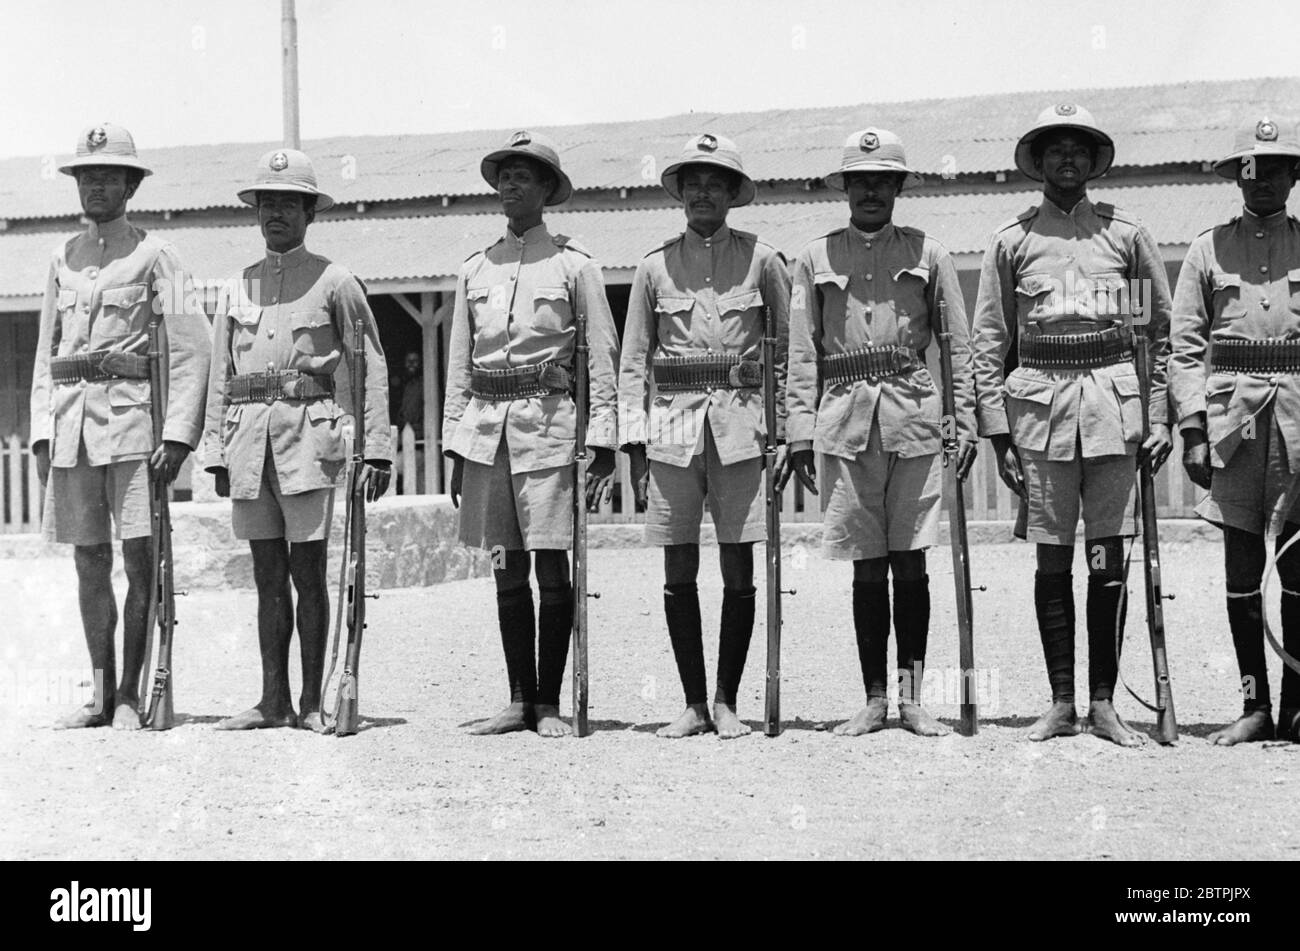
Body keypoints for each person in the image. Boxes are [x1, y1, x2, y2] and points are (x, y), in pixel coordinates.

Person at [971, 104, 1173, 746]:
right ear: (1039, 163)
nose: (1067, 160)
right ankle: (1061, 702)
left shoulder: (1125, 238)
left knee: (1107, 553)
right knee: (1053, 556)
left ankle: (1105, 703)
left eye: (1078, 150)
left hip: (1114, 409)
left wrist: (1160, 414)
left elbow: (1155, 337)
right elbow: (988, 341)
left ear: (1091, 163)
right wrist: (999, 432)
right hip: (1040, 414)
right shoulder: (1013, 242)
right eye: (1055, 150)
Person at [784, 127, 977, 737]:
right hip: (844, 421)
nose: (871, 190)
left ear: (897, 187)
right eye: (859, 181)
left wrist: (965, 419)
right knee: (866, 563)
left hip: (913, 416)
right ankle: (873, 698)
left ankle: (913, 698)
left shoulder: (930, 254)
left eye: (882, 181)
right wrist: (796, 430)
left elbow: (959, 344)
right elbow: (801, 351)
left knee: (910, 561)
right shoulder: (814, 259)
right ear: (845, 189)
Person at [203, 149, 391, 732]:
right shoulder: (238, 286)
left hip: (309, 440)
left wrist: (378, 448)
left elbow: (370, 365)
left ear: (310, 212)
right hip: (247, 443)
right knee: (265, 578)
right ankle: (271, 700)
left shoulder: (334, 281)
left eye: (288, 203)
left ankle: (312, 701)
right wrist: (214, 450)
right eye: (267, 204)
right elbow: (219, 375)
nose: (275, 214)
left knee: (307, 574)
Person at [30, 123, 210, 730]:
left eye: (109, 176)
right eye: (87, 176)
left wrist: (179, 435)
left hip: (134, 431)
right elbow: (44, 352)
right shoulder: (63, 257)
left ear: (131, 186)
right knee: (88, 562)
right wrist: (40, 430)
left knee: (139, 560)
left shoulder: (160, 255)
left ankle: (133, 694)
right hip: (73, 429)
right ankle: (102, 693)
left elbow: (192, 348)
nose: (96, 186)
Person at [442, 131, 618, 738]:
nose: (513, 185)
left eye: (527, 176)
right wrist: (452, 444)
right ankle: (517, 698)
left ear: (548, 190)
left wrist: (602, 439)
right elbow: (459, 365)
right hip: (487, 437)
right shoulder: (475, 269)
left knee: (550, 567)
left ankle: (547, 702)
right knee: (504, 566)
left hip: (549, 432)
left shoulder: (576, 266)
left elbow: (602, 360)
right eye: (506, 175)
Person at [619, 133, 791, 739]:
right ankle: (692, 701)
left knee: (739, 566)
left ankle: (726, 700)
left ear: (731, 194)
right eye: (693, 183)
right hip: (671, 427)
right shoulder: (653, 267)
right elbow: (634, 361)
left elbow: (790, 353)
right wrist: (635, 443)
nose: (702, 192)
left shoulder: (764, 261)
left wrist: (787, 430)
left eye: (715, 182)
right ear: (681, 194)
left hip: (743, 425)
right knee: (678, 565)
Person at [1171, 115, 1300, 745]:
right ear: (1237, 178)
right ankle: (1255, 704)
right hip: (1234, 426)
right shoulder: (1206, 250)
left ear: (1294, 175)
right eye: (1251, 169)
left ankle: (1298, 706)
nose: (1263, 180)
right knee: (1242, 568)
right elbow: (1186, 347)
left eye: (1275, 168)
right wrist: (1193, 428)